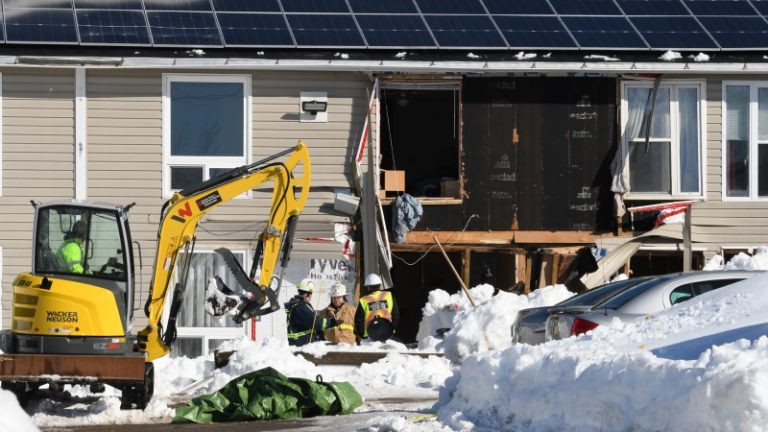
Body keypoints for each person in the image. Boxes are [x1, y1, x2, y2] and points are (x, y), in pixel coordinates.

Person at [284, 278, 336, 346]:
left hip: (299, 342)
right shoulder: (301, 307)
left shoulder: (297, 306)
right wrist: (332, 322)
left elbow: (308, 321)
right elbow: (316, 323)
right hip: (303, 344)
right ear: (308, 295)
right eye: (311, 294)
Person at [354, 273, 399, 343]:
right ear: (379, 285)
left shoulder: (364, 300)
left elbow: (358, 321)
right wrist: (392, 329)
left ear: (368, 287)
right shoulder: (389, 296)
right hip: (387, 334)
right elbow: (396, 315)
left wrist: (362, 334)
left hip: (370, 336)